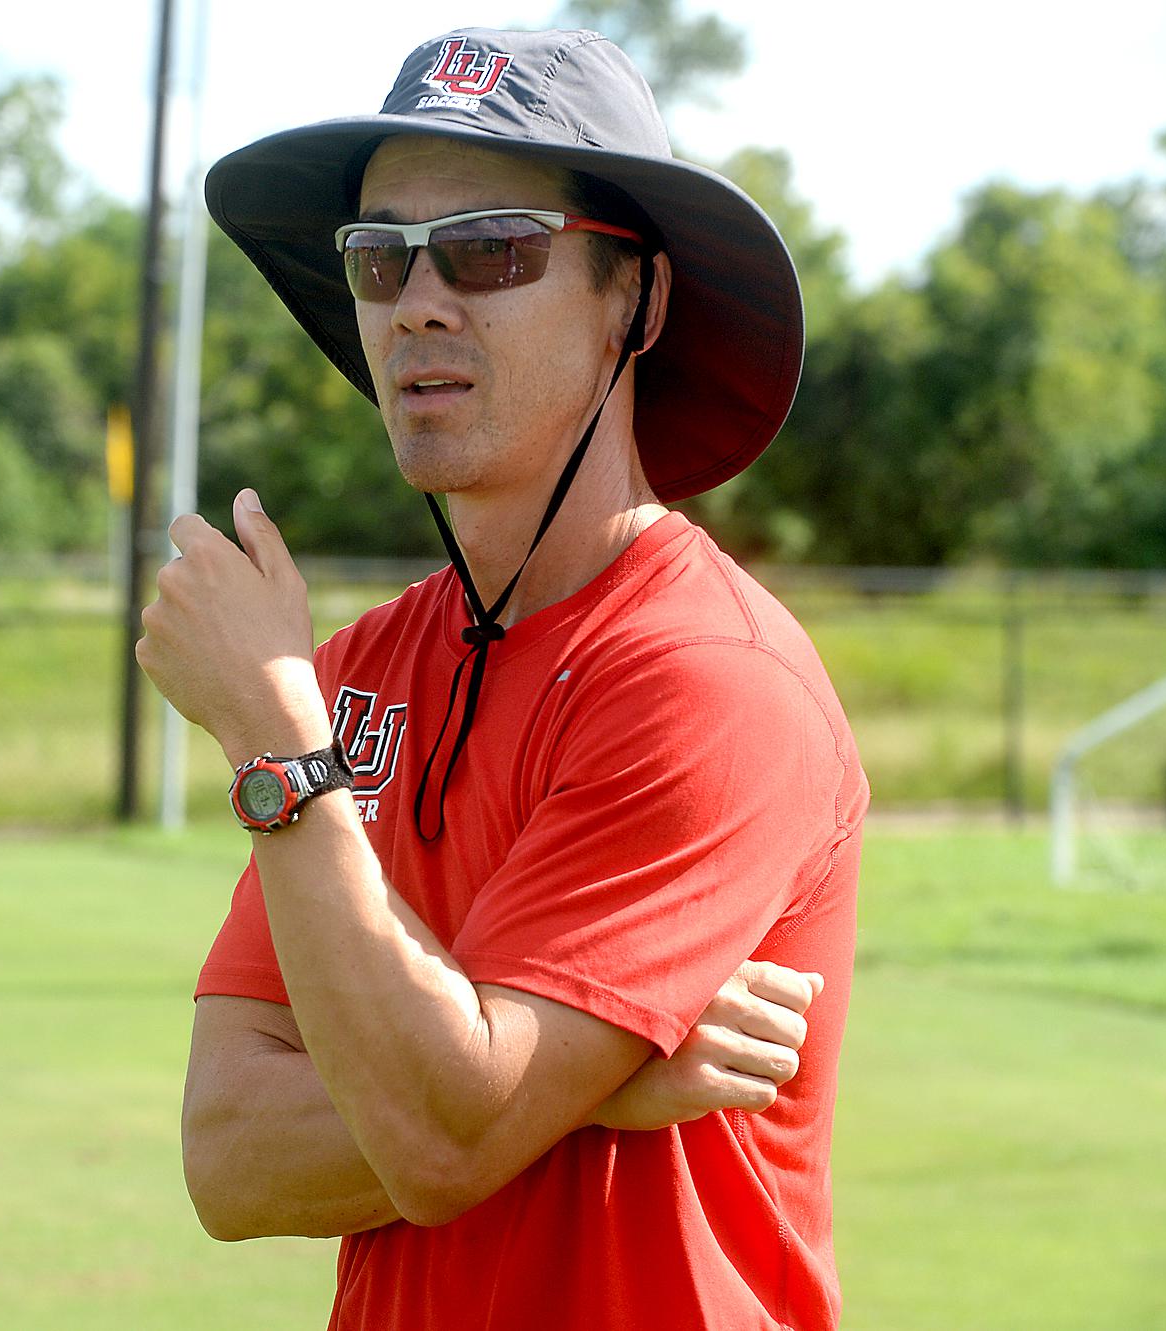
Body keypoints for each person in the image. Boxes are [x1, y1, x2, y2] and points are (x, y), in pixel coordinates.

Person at [136, 26, 867, 1331]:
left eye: (490, 249)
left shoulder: (706, 680)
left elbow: (437, 1142)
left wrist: (272, 738)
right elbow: (227, 1156)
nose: (417, 300)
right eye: (379, 258)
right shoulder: (356, 675)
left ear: (632, 302)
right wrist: (579, 1083)